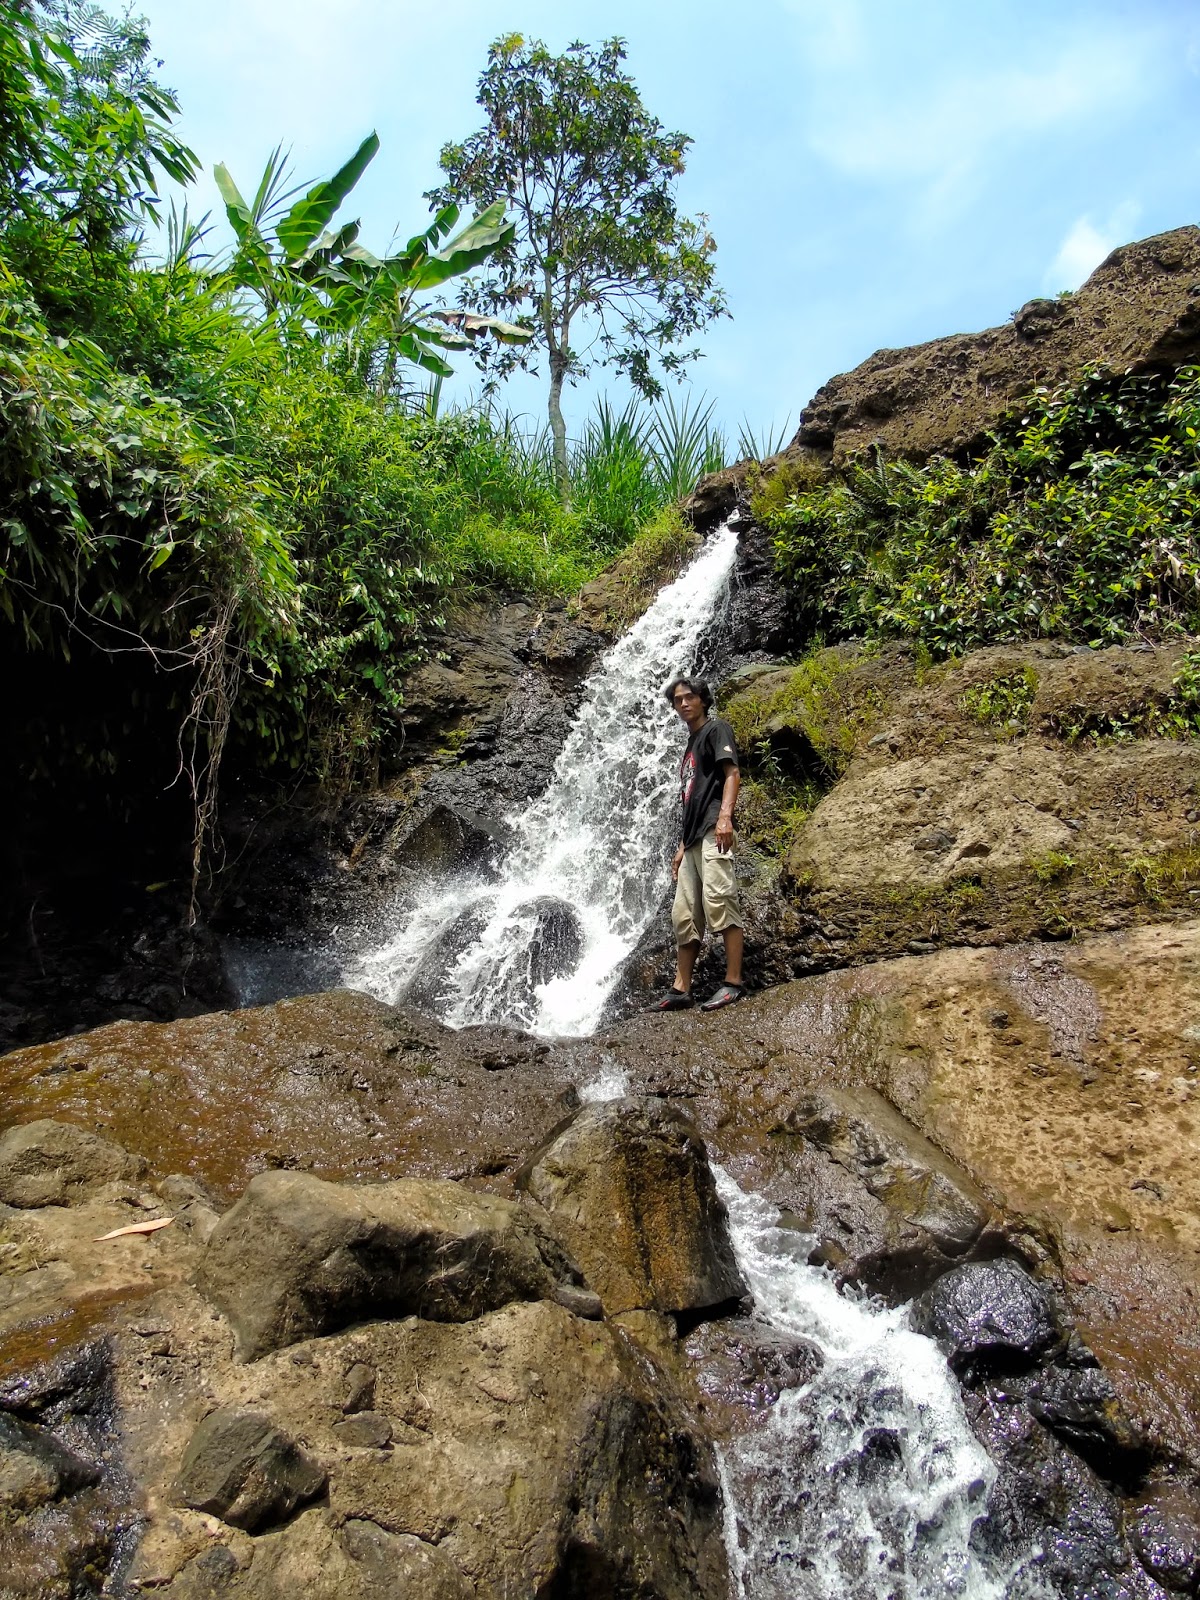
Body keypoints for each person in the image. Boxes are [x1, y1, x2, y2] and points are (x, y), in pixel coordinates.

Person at [649, 675, 745, 1012]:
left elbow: (731, 774)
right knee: (684, 914)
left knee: (720, 899)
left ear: (703, 699)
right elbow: (691, 798)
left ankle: (733, 982)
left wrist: (725, 818)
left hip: (712, 829)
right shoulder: (690, 745)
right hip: (692, 839)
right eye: (678, 700)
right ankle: (681, 988)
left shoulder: (716, 730)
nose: (684, 703)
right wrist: (681, 846)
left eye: (690, 697)